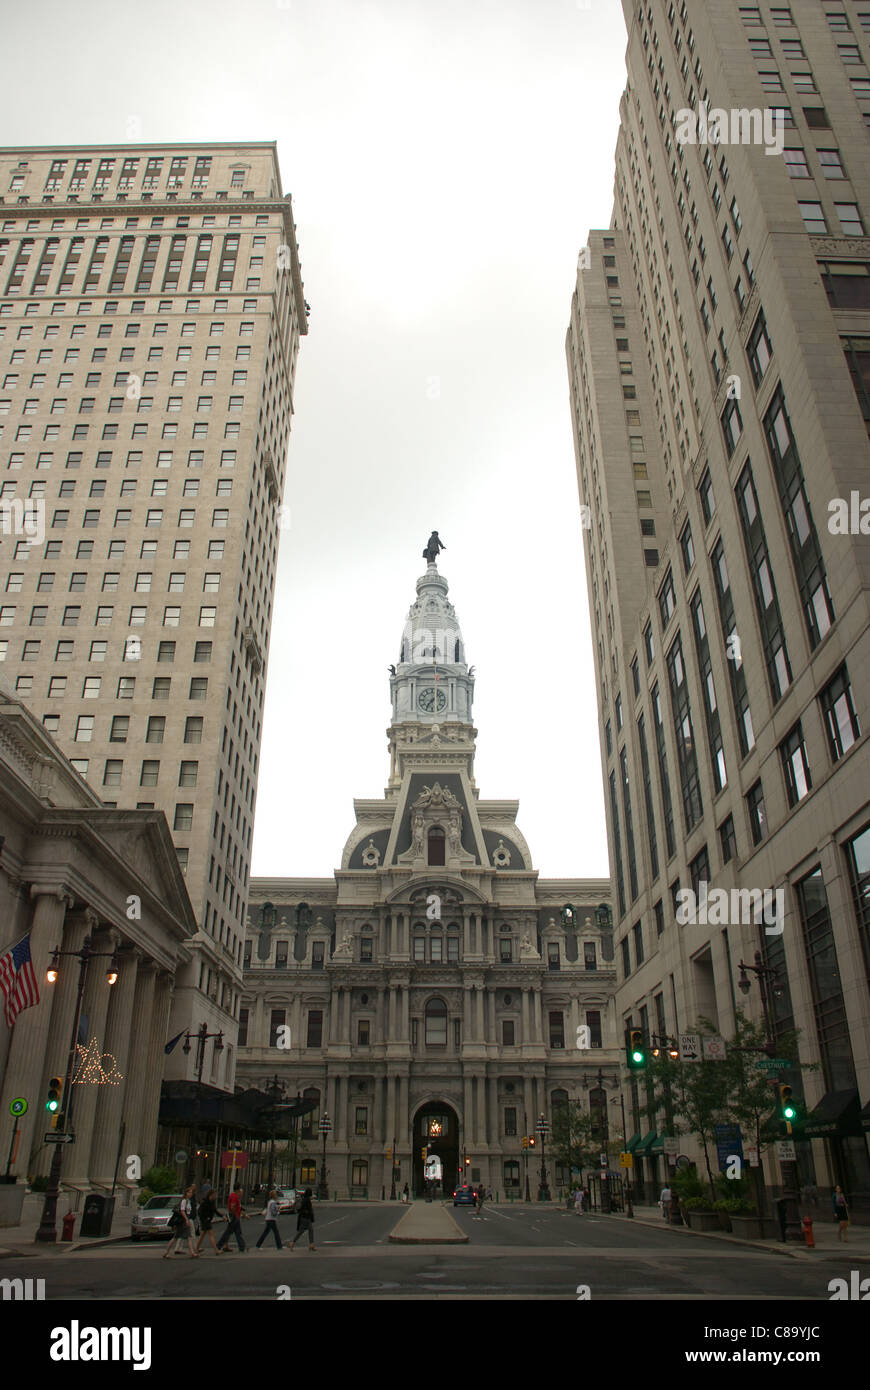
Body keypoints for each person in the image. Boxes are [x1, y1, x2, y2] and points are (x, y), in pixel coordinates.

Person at [163, 1185, 199, 1259]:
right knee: (175, 1238)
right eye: (189, 1192)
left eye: (191, 1193)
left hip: (186, 1220)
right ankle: (166, 1252)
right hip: (183, 1221)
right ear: (186, 1193)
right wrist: (186, 1219)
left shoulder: (188, 1201)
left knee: (188, 1237)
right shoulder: (184, 1201)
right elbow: (182, 1211)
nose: (190, 1194)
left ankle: (192, 1253)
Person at [216, 1183, 248, 1253]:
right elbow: (232, 1206)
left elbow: (237, 1207)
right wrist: (235, 1214)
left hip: (234, 1216)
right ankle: (219, 1245)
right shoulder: (234, 1196)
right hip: (234, 1216)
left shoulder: (234, 1196)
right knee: (229, 1232)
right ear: (238, 1189)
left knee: (236, 1232)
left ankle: (242, 1247)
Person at [195, 1188, 224, 1256]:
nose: (216, 1196)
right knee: (211, 1235)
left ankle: (196, 1249)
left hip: (207, 1220)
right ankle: (216, 1250)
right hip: (205, 1220)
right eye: (215, 1194)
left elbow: (215, 1210)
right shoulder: (205, 1202)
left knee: (202, 1235)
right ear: (211, 1195)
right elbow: (200, 1212)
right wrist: (205, 1218)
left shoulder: (212, 1202)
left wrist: (222, 1216)